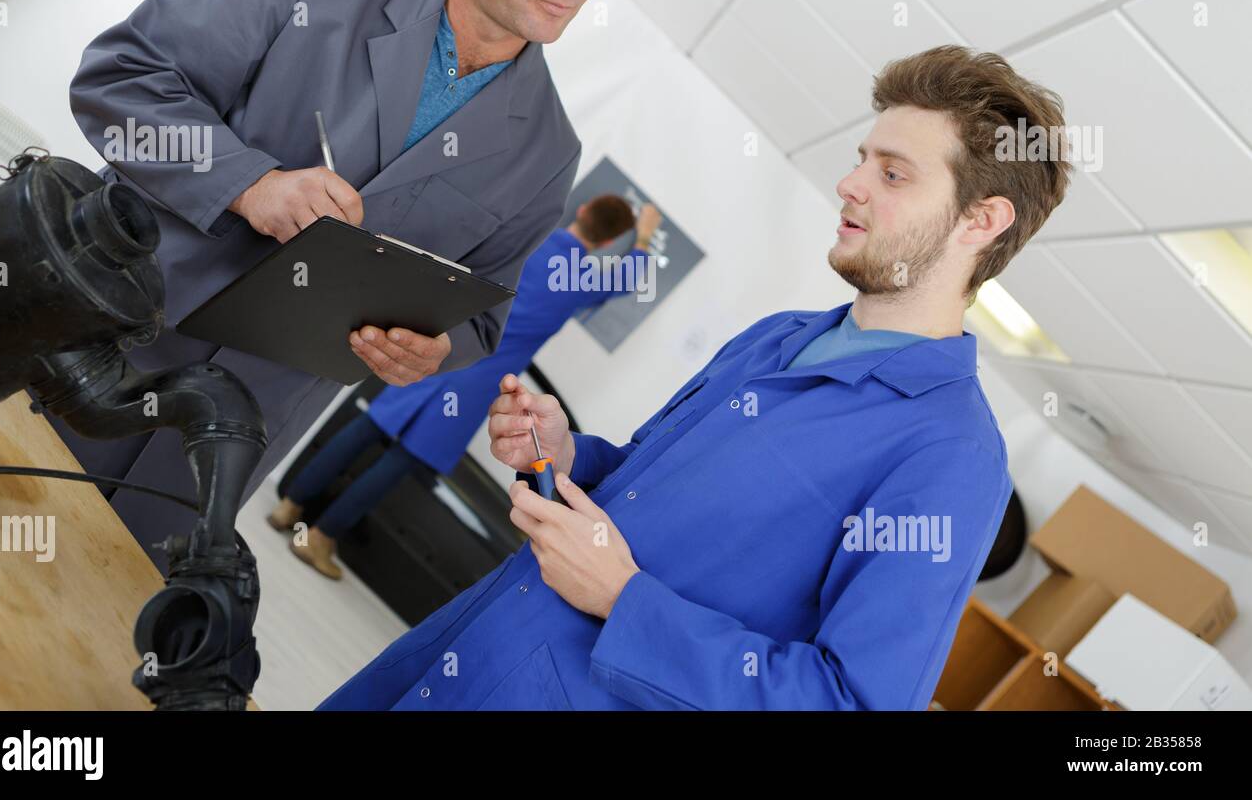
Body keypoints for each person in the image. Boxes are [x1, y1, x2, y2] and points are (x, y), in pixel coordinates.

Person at [318, 45, 1073, 710]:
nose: (850, 184)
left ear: (981, 221)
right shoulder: (776, 339)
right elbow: (648, 488)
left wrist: (624, 603)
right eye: (860, 159)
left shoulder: (952, 457)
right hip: (462, 648)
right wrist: (569, 454)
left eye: (893, 172)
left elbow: (847, 701)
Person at [41, 0, 629, 567]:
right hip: (99, 345)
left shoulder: (546, 153)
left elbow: (480, 319)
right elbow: (121, 77)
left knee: (81, 614)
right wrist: (248, 183)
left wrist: (432, 351)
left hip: (223, 443)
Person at [268, 197, 662, 579]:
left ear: (582, 210)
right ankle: (319, 537)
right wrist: (643, 237)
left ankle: (289, 506)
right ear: (609, 242)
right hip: (479, 383)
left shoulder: (530, 243)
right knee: (405, 459)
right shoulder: (580, 279)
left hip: (444, 353)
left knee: (369, 427)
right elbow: (627, 278)